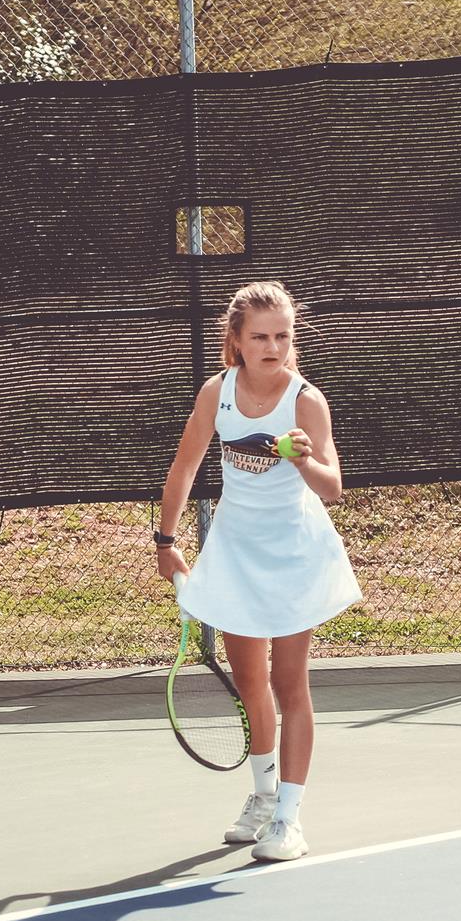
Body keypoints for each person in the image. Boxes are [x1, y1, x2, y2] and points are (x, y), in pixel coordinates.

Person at [155, 281, 362, 862]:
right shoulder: (216, 392)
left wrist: (304, 458)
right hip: (235, 551)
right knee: (250, 682)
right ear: (237, 341)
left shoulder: (306, 401)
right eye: (261, 337)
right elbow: (185, 466)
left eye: (283, 336)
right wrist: (166, 541)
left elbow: (333, 487)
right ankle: (264, 797)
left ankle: (289, 819)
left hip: (294, 554)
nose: (273, 347)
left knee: (288, 683)